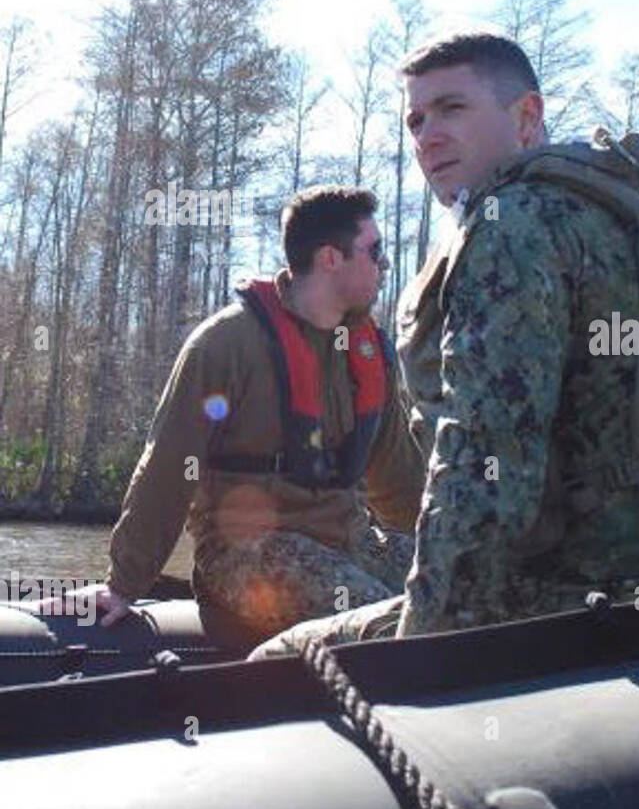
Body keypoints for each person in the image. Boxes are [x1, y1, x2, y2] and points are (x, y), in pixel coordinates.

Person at [249, 33, 639, 657]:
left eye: (452, 109)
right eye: (416, 119)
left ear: (527, 117)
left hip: (589, 601)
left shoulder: (512, 228)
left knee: (277, 661)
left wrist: (417, 659)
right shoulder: (634, 208)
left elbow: (486, 481)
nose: (427, 136)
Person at [40, 187, 425, 646]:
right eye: (374, 250)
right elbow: (167, 464)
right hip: (246, 552)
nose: (383, 264)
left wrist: (444, 549)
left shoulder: (366, 354)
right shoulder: (225, 344)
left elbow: (401, 483)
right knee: (388, 628)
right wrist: (124, 584)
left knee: (463, 583)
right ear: (330, 258)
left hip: (346, 539)